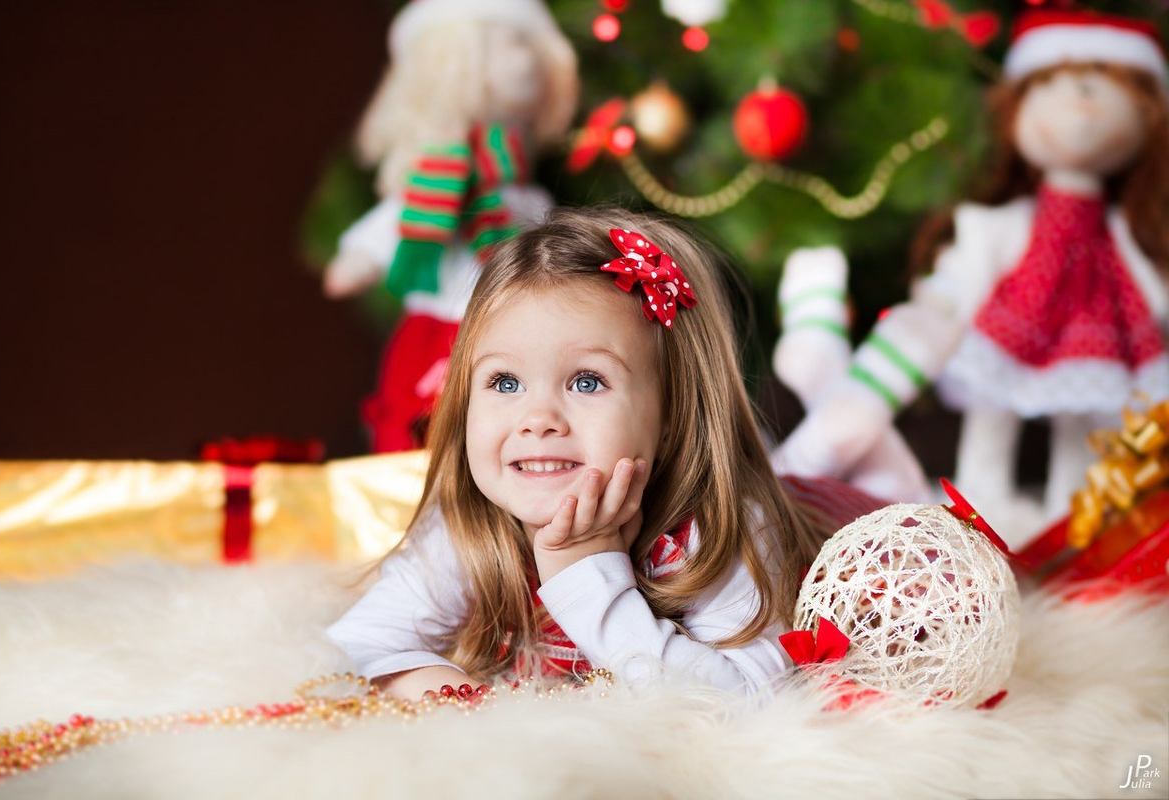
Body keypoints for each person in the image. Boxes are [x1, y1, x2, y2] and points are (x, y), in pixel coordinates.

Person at [326, 207, 880, 699]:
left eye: (587, 382)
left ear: (673, 414)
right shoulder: (471, 524)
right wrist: (471, 711)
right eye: (505, 382)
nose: (537, 420)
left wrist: (588, 579)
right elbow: (356, 650)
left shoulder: (720, 532)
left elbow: (739, 706)